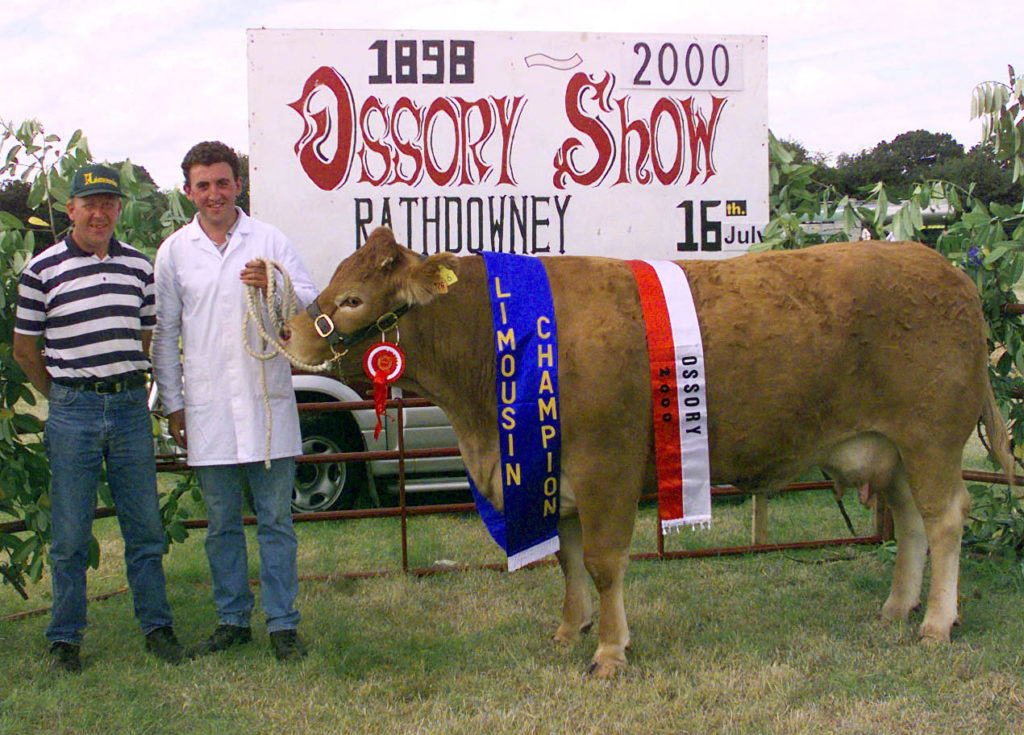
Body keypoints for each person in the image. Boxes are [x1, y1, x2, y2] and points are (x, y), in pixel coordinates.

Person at [13, 164, 186, 672]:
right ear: (70, 210)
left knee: (145, 527)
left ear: (117, 209)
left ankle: (158, 628)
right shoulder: (40, 271)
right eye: (89, 203)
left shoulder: (139, 267)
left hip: (131, 410)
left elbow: (148, 337)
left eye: (108, 202)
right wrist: (66, 393)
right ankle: (65, 638)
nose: (100, 212)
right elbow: (25, 351)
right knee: (69, 534)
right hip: (74, 412)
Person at [151, 141, 318, 661]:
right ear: (188, 192)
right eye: (203, 185)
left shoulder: (267, 240)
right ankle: (231, 620)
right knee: (222, 525)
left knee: (275, 522)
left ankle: (283, 624)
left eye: (222, 183)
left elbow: (309, 301)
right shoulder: (174, 251)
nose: (214, 194)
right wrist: (174, 404)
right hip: (208, 411)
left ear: (238, 184)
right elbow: (164, 333)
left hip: (266, 404)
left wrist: (276, 284)